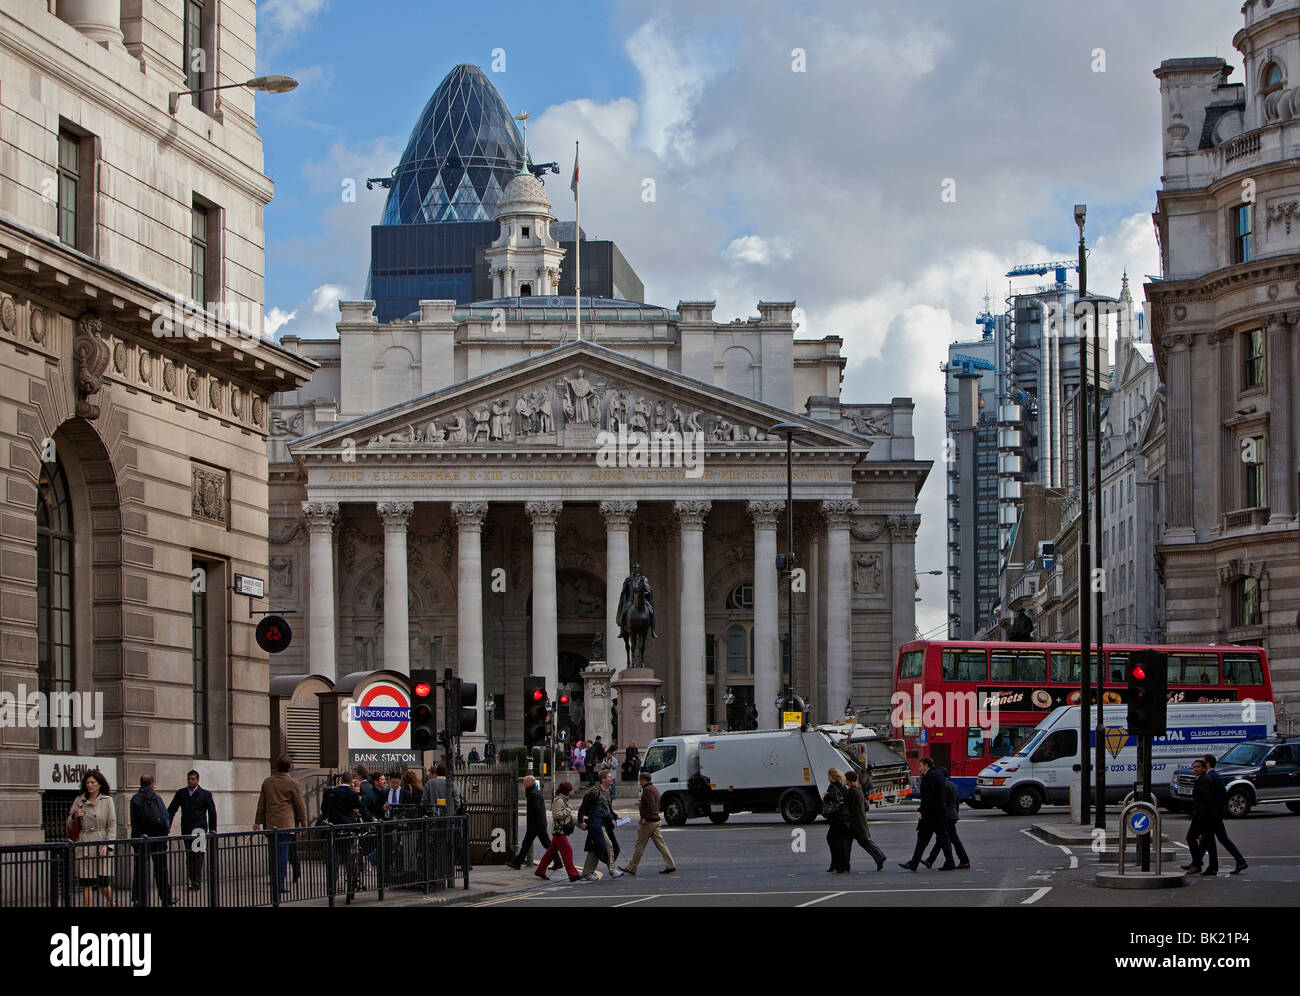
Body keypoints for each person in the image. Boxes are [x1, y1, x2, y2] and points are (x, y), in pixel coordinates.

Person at [253, 755, 306, 894]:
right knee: (282, 855)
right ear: (289, 767)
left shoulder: (268, 782)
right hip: (286, 825)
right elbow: (300, 805)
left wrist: (257, 822)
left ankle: (274, 879)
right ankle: (280, 883)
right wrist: (304, 822)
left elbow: (261, 804)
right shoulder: (292, 783)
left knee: (273, 855)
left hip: (271, 824)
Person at [68, 769, 116, 907]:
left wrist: (108, 845)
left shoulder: (107, 800)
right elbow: (68, 822)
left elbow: (111, 824)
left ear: (100, 784)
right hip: (84, 843)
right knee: (86, 883)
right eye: (87, 782)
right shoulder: (79, 800)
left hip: (101, 843)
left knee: (102, 883)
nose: (90, 785)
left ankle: (111, 902)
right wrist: (75, 816)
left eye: (93, 782)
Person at [899, 757, 954, 871]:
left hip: (931, 815)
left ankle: (914, 864)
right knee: (943, 838)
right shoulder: (938, 774)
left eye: (920, 766)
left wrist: (921, 811)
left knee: (923, 840)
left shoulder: (929, 777)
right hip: (939, 813)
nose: (919, 768)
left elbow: (928, 797)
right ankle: (950, 862)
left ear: (926, 765)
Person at [168, 769, 217, 891]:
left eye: (193, 779)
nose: (190, 781)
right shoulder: (181, 793)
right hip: (187, 828)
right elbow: (171, 810)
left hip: (199, 829)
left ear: (198, 780)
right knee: (190, 855)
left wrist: (212, 830)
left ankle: (197, 880)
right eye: (189, 779)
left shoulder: (205, 794)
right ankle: (193, 879)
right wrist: (167, 826)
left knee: (198, 855)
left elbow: (212, 812)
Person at [130, 774, 175, 907]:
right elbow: (165, 817)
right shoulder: (156, 798)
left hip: (141, 838)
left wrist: (135, 838)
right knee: (161, 869)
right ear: (152, 784)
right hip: (158, 838)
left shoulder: (135, 799)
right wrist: (165, 832)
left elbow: (134, 822)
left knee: (139, 870)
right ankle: (166, 898)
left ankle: (138, 899)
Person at [619, 770, 676, 876]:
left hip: (649, 821)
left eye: (640, 780)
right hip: (655, 820)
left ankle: (632, 867)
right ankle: (670, 864)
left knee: (639, 845)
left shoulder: (647, 790)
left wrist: (645, 817)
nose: (639, 782)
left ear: (643, 780)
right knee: (661, 845)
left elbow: (651, 805)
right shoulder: (654, 788)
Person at [322, 773, 364, 902]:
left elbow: (324, 809)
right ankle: (350, 889)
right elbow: (357, 807)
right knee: (351, 859)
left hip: (334, 828)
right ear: (351, 781)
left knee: (333, 859)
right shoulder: (352, 794)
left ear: (340, 780)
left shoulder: (331, 792)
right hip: (349, 828)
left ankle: (332, 889)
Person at [1202, 754, 1248, 874]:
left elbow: (1212, 798)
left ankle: (1238, 861)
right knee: (1210, 839)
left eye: (1202, 763)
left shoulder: (1210, 777)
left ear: (1207, 764)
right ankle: (1205, 864)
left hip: (1213, 815)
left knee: (1217, 839)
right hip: (1216, 813)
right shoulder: (1214, 776)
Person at [509, 775, 561, 871]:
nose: (524, 785)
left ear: (530, 782)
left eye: (525, 783)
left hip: (536, 824)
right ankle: (557, 862)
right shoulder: (534, 792)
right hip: (538, 824)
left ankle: (517, 863)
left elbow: (535, 810)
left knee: (529, 843)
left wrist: (531, 820)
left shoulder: (533, 794)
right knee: (544, 844)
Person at [577, 771, 622, 879]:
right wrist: (580, 821)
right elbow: (583, 807)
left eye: (611, 777)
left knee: (594, 848)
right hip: (596, 824)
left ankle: (587, 873)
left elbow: (608, 808)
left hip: (605, 823)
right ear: (603, 779)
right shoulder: (595, 792)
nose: (611, 779)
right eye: (609, 777)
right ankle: (612, 870)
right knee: (607, 845)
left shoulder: (609, 791)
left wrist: (615, 816)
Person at [534, 782, 582, 882]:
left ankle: (540, 870)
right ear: (567, 791)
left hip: (559, 831)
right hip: (559, 831)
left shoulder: (563, 800)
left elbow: (567, 818)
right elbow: (557, 815)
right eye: (570, 790)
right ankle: (573, 874)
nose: (572, 791)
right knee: (567, 851)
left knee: (550, 853)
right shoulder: (559, 801)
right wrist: (568, 809)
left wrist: (579, 824)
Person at [924, 769, 971, 869]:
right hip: (952, 815)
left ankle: (962, 861)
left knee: (949, 839)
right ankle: (930, 860)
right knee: (943, 839)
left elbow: (941, 803)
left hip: (946, 816)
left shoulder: (943, 786)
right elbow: (956, 802)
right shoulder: (954, 786)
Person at [843, 770, 886, 871]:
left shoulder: (852, 791)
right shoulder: (858, 789)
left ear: (849, 780)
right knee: (862, 841)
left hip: (854, 822)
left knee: (861, 842)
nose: (844, 780)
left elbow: (847, 805)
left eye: (846, 779)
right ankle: (879, 857)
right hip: (859, 821)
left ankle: (879, 856)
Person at [1183, 758, 1219, 875]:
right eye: (1194, 767)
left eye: (1198, 767)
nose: (1195, 769)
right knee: (1209, 842)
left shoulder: (1204, 780)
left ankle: (1197, 864)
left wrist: (1198, 814)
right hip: (1207, 816)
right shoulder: (1201, 779)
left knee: (1191, 837)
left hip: (1204, 817)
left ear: (1204, 768)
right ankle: (1210, 866)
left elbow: (1206, 800)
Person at [822, 768, 853, 873]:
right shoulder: (843, 787)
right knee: (843, 842)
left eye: (828, 776)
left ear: (832, 777)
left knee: (834, 841)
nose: (828, 778)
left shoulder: (832, 786)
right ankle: (843, 865)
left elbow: (831, 797)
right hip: (845, 818)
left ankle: (838, 865)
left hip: (836, 819)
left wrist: (826, 795)